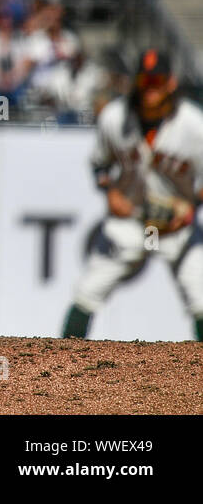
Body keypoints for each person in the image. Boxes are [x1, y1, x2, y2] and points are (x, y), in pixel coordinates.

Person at [61, 49, 203, 341]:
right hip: (131, 221)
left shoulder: (193, 125)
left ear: (171, 82)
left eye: (157, 79)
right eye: (145, 79)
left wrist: (191, 207)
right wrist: (109, 191)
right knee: (87, 293)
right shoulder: (115, 118)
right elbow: (99, 165)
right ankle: (60, 369)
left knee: (200, 297)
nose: (151, 87)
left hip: (177, 226)